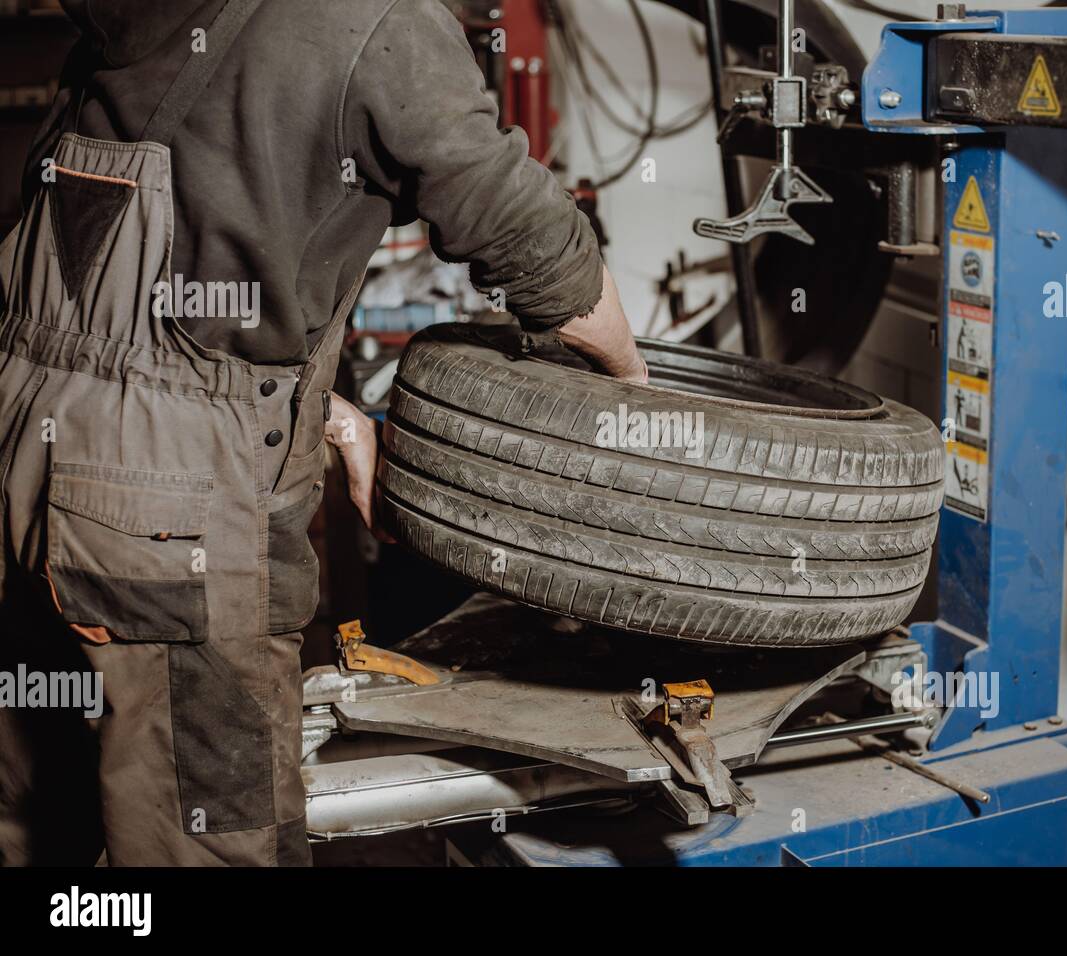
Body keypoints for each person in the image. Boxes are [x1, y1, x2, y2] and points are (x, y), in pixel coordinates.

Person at [0, 0, 645, 866]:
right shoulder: (382, 21)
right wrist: (638, 392)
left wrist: (332, 419)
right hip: (165, 517)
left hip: (23, 439)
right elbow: (536, 249)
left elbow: (140, 325)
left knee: (37, 815)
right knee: (204, 831)